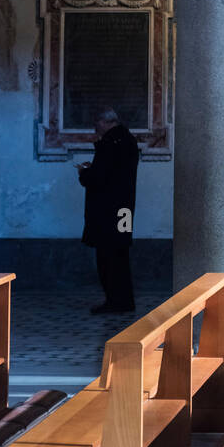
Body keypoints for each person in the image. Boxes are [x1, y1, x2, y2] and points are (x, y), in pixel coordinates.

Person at [77, 108, 139, 315]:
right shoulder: (128, 140)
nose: (96, 127)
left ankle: (114, 300)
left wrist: (84, 173)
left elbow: (99, 178)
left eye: (97, 122)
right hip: (125, 209)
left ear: (106, 122)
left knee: (107, 256)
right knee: (120, 253)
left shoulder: (109, 144)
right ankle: (125, 299)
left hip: (108, 210)